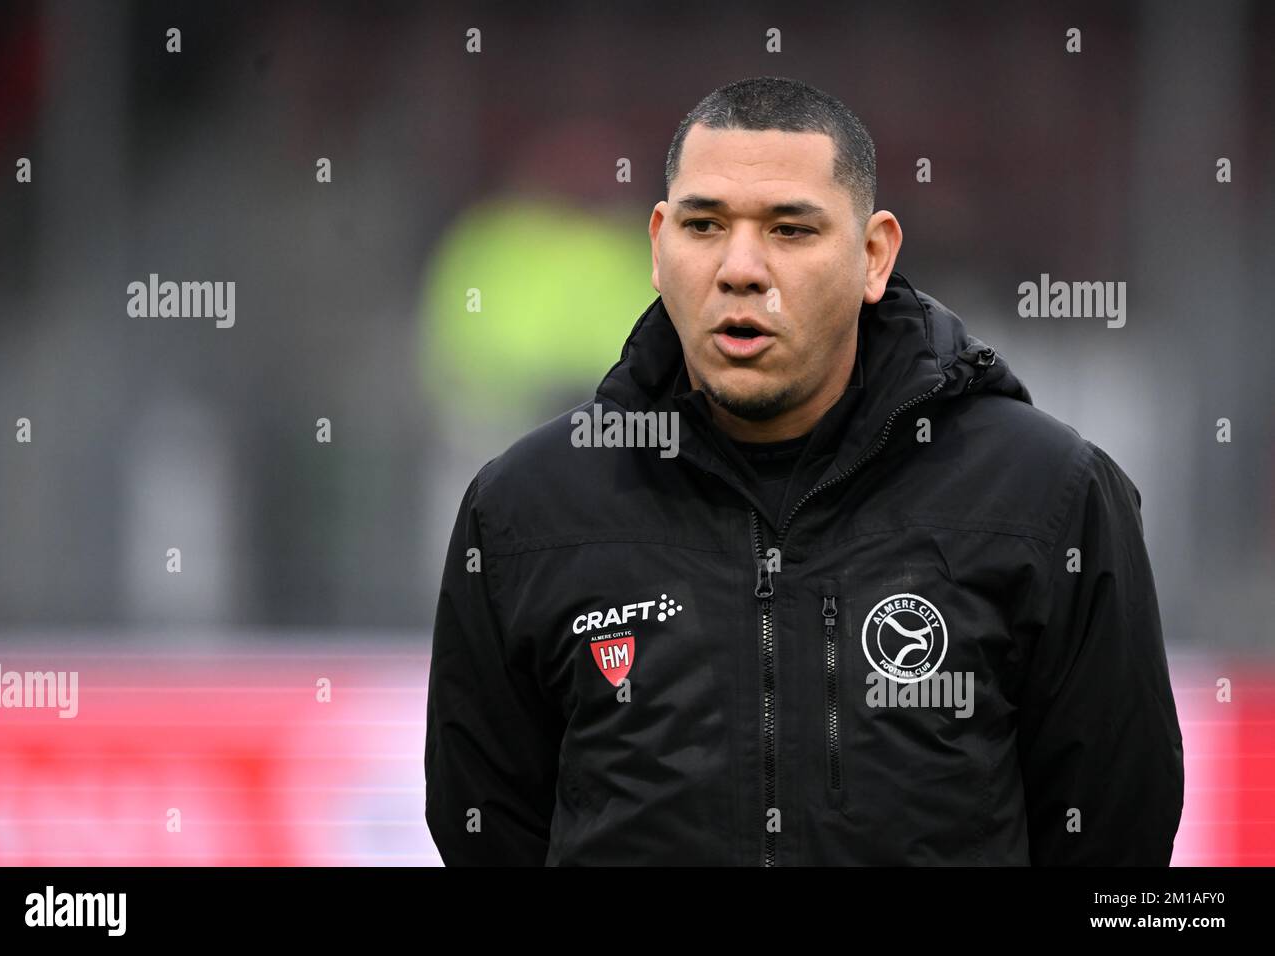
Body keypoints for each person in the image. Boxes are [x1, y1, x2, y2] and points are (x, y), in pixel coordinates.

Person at [424, 76, 1184, 866]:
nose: (740, 269)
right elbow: (483, 822)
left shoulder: (1047, 496)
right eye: (705, 225)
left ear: (874, 255)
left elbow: (1116, 835)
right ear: (658, 246)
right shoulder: (524, 511)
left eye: (790, 230)